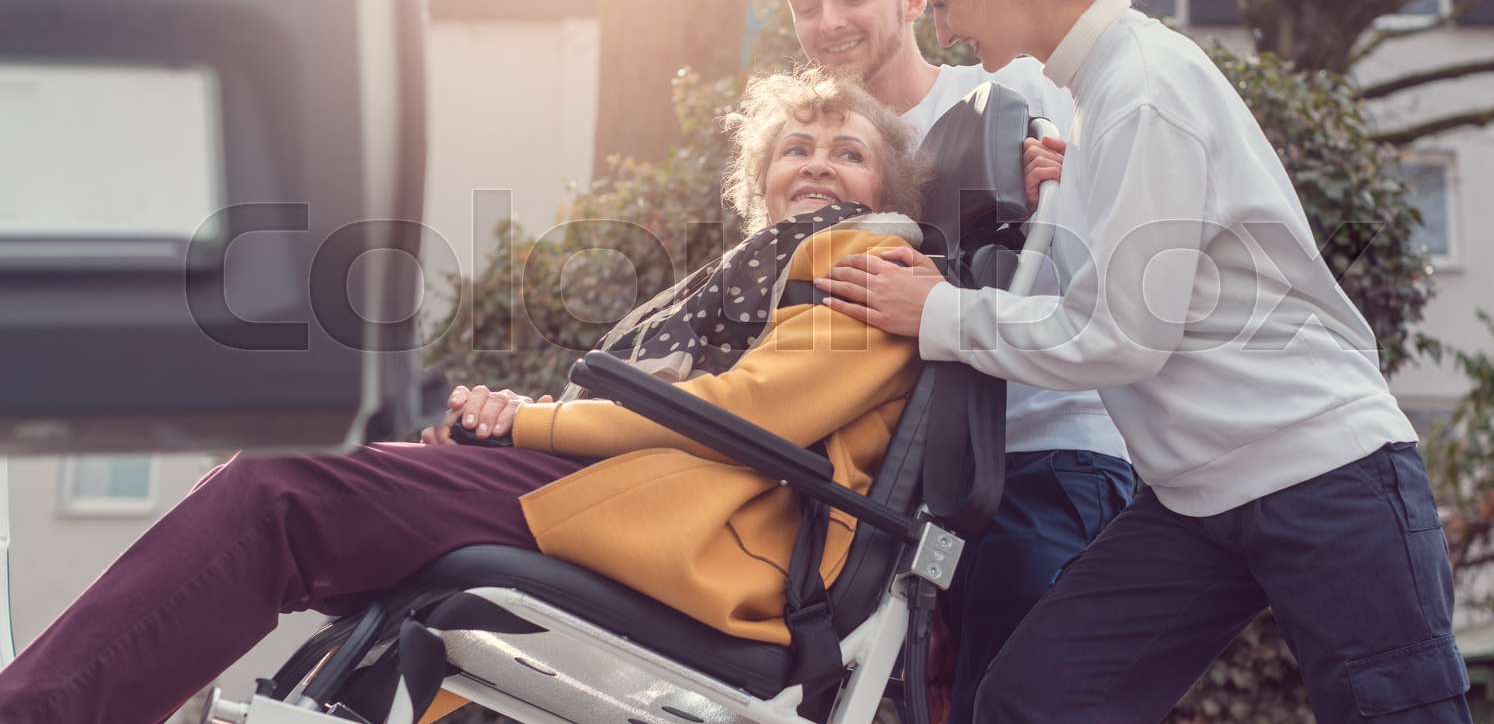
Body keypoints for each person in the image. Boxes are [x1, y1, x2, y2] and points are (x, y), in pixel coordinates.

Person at [0, 70, 933, 724]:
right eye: (795, 148)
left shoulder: (872, 258)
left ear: (886, 187)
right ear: (758, 182)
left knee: (282, 487)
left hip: (710, 535)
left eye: (847, 152)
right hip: (647, 497)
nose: (816, 164)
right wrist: (507, 426)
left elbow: (750, 414)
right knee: (313, 480)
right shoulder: (745, 274)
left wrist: (527, 421)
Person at [817, 0, 1472, 724]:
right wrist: (1073, 182)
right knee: (1032, 702)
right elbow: (1137, 262)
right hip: (1200, 499)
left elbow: (1123, 334)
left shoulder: (1142, 90)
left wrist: (938, 311)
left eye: (942, 1)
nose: (941, 29)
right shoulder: (1100, 99)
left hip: (1324, 474)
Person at [783, 0, 1134, 724]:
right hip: (897, 490)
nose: (827, 22)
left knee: (1011, 700)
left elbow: (1106, 245)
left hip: (1038, 458)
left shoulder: (1006, 88)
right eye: (805, 4)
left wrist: (1071, 181)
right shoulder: (818, 151)